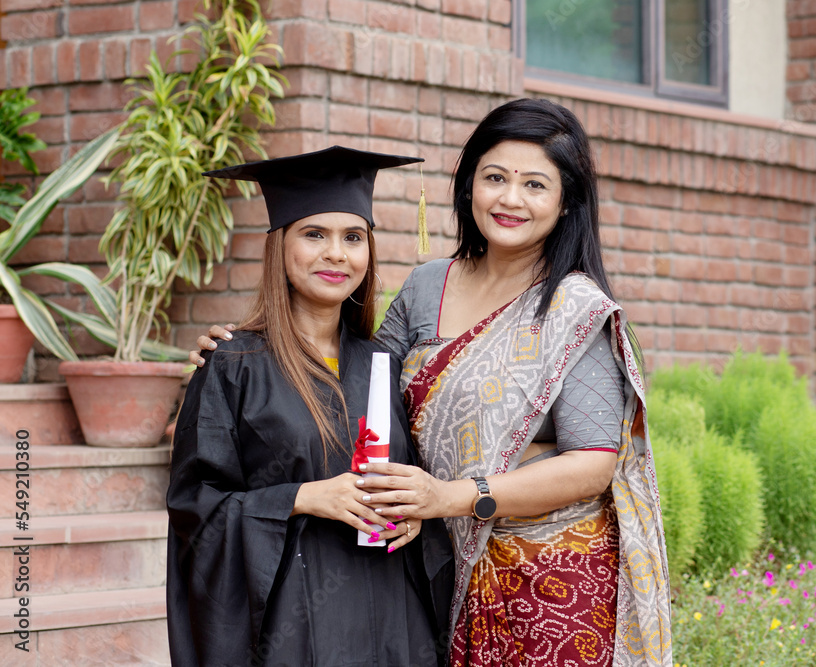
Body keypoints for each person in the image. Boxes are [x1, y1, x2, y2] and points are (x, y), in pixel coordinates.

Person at [192, 99, 672, 666]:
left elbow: (593, 463)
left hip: (552, 579)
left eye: (536, 185)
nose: (510, 199)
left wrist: (451, 495)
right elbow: (362, 388)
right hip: (447, 577)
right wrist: (246, 357)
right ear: (469, 185)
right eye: (495, 177)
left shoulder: (574, 310)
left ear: (567, 203)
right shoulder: (426, 287)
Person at [167, 146, 451, 667]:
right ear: (279, 246)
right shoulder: (233, 364)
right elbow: (194, 508)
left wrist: (418, 518)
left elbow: (418, 480)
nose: (337, 254)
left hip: (390, 619)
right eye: (314, 234)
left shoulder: (384, 364)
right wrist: (301, 497)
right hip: (289, 628)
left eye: (353, 237)